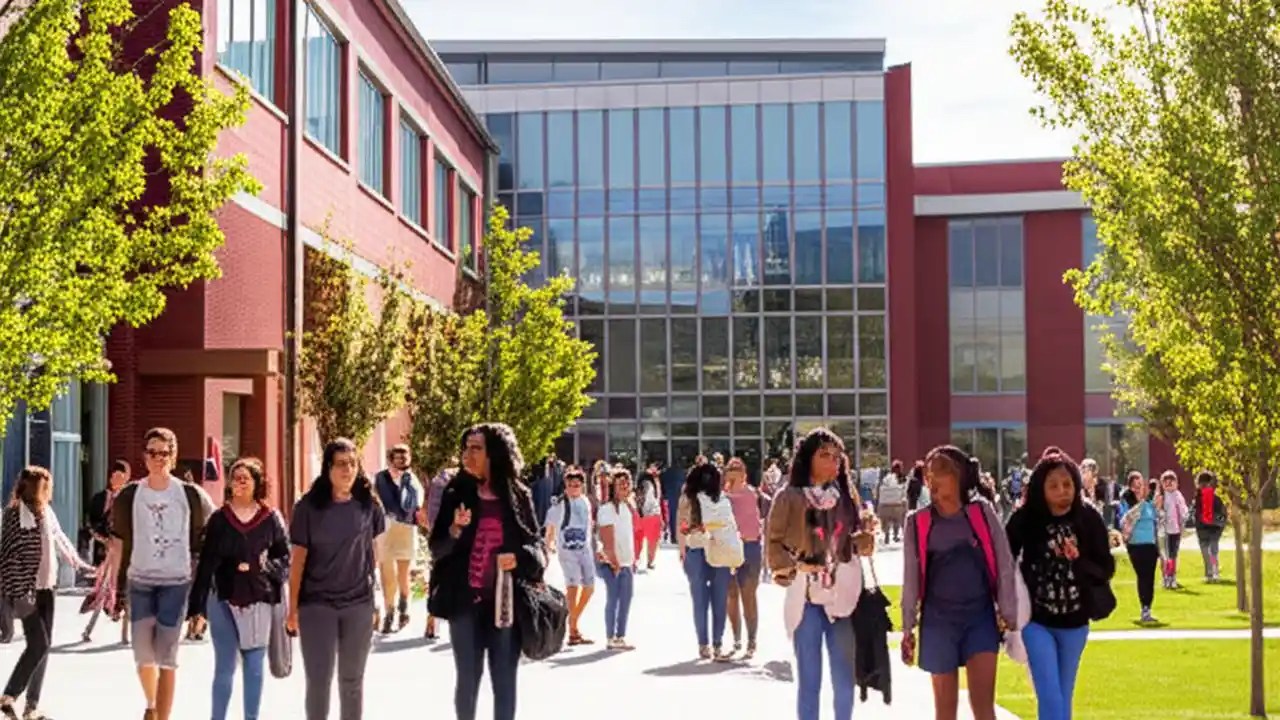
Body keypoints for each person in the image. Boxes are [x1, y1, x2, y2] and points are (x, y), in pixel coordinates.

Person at [428, 423, 545, 720]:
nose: (468, 455)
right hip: (463, 602)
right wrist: (455, 529)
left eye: (476, 448)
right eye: (466, 448)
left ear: (494, 452)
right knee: (467, 679)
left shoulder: (518, 495)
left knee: (504, 681)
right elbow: (437, 547)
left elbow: (537, 551)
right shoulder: (456, 491)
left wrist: (517, 558)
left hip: (506, 605)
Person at [901, 445, 1017, 720]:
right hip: (938, 621)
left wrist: (1009, 616)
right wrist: (907, 628)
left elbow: (1004, 566)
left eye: (941, 472)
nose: (933, 480)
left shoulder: (981, 513)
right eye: (928, 474)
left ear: (960, 477)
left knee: (983, 708)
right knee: (945, 712)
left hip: (980, 618)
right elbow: (910, 579)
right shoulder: (917, 523)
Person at [766, 428, 874, 720]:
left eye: (837, 457)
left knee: (844, 679)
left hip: (842, 598)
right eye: (824, 455)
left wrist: (864, 538)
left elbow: (858, 539)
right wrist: (795, 566)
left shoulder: (847, 496)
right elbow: (773, 545)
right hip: (805, 598)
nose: (833, 462)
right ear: (808, 458)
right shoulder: (788, 497)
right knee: (809, 680)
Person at [109, 428, 216, 720]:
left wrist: (204, 594)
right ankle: (152, 704)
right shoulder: (131, 494)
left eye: (164, 453)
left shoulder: (190, 494)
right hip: (140, 580)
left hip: (176, 582)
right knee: (143, 654)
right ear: (145, 457)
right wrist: (116, 590)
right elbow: (118, 544)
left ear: (173, 456)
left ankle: (162, 716)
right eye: (153, 453)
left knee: (167, 656)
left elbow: (213, 535)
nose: (158, 459)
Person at [1006, 449, 1115, 720]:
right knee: (1050, 695)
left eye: (1067, 484)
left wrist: (1079, 561)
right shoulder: (1026, 519)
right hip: (1036, 620)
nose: (1062, 491)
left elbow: (1106, 567)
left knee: (1064, 696)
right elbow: (1003, 558)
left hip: (1075, 622)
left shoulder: (1088, 518)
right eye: (1053, 485)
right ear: (1040, 488)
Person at [286, 438, 385, 720]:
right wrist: (292, 609)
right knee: (319, 682)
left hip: (358, 604)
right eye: (341, 464)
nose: (348, 470)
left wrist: (375, 599)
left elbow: (372, 554)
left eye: (353, 463)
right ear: (327, 468)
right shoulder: (308, 508)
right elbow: (298, 562)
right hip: (317, 605)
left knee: (352, 682)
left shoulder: (368, 505)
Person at [189, 457, 289, 720]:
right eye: (235, 478)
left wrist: (262, 568)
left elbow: (284, 557)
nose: (240, 482)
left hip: (259, 597)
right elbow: (207, 562)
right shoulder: (220, 519)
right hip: (222, 597)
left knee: (254, 664)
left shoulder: (271, 518)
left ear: (257, 483)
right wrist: (197, 607)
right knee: (224, 664)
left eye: (246, 478)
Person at [0, 466, 95, 719]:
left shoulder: (46, 512)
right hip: (24, 589)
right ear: (34, 487)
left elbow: (60, 539)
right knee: (38, 643)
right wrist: (16, 590)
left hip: (47, 587)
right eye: (45, 485)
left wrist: (81, 565)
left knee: (43, 646)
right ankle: (9, 695)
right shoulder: (13, 515)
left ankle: (32, 707)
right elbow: (7, 555)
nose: (49, 489)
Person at [678, 463, 737, 661]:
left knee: (701, 600)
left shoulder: (689, 498)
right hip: (717, 549)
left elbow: (681, 527)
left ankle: (705, 644)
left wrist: (682, 550)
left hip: (697, 549)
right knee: (718, 599)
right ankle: (716, 644)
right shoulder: (722, 500)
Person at [373, 444, 424, 635]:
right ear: (391, 458)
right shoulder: (381, 478)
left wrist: (406, 481)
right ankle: (389, 612)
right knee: (387, 573)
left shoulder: (412, 479)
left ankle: (404, 607)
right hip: (387, 528)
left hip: (406, 529)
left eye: (404, 457)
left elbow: (416, 503)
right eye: (397, 457)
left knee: (404, 573)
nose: (401, 461)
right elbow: (384, 502)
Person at [544, 467, 596, 646]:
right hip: (567, 550)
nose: (574, 488)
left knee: (589, 587)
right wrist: (548, 545)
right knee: (572, 587)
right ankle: (573, 630)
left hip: (585, 549)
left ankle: (573, 621)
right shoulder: (559, 503)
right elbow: (550, 526)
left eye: (577, 485)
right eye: (570, 485)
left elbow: (589, 526)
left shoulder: (585, 502)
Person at [82, 459, 132, 643]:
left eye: (121, 476)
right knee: (103, 590)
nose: (117, 479)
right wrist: (104, 540)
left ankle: (124, 626)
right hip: (106, 553)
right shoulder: (100, 499)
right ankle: (91, 626)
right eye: (114, 475)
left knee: (123, 588)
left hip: (125, 553)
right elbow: (91, 523)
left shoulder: (129, 500)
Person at [723, 457, 763, 659]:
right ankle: (737, 638)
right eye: (730, 477)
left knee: (749, 594)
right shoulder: (722, 498)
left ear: (744, 476)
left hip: (751, 546)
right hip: (729, 549)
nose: (733, 481)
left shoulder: (753, 494)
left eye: (737, 477)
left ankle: (752, 639)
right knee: (731, 594)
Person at [597, 467, 637, 650]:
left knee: (626, 599)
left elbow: (628, 535)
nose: (625, 486)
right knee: (613, 599)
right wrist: (614, 562)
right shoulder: (606, 509)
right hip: (611, 562)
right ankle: (610, 636)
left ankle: (621, 636)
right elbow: (607, 539)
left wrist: (632, 560)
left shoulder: (627, 507)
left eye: (627, 483)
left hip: (627, 562)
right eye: (621, 483)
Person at [422, 460, 458, 640]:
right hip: (456, 535)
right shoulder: (458, 483)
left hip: (439, 537)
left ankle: (432, 621)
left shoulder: (436, 483)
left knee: (437, 576)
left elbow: (429, 511)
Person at [1119, 471, 1160, 623]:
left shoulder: (1149, 504)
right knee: (1143, 576)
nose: (1138, 488)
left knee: (1150, 578)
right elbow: (1125, 520)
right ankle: (1144, 609)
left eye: (1141, 485)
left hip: (1150, 545)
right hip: (1136, 545)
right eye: (1135, 486)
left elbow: (1156, 520)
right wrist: (1138, 505)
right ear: (1130, 487)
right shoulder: (1128, 503)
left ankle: (1147, 608)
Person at [1189, 471, 1227, 582]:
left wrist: (1217, 522)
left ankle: (1214, 572)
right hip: (1202, 529)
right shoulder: (1197, 499)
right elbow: (1194, 513)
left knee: (1212, 551)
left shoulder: (1216, 499)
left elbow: (1223, 515)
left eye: (1206, 484)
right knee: (1206, 552)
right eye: (1202, 484)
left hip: (1213, 529)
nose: (1204, 487)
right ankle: (1209, 573)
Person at [1157, 470, 1188, 589]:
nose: (1169, 485)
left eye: (1172, 482)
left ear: (1176, 483)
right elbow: (1157, 509)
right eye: (1166, 482)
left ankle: (1172, 577)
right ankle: (1165, 577)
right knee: (1164, 555)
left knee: (1172, 555)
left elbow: (1183, 510)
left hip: (1174, 530)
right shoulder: (1161, 495)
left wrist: (1183, 521)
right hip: (1162, 530)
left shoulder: (1177, 495)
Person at [633, 464, 663, 571]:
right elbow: (654, 500)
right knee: (652, 541)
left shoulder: (639, 485)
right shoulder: (650, 484)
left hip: (639, 515)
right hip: (651, 515)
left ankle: (635, 561)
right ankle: (650, 562)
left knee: (637, 540)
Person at [876, 460, 908, 543]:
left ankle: (887, 535)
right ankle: (895, 535)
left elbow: (880, 489)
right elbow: (904, 491)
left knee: (886, 521)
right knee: (897, 520)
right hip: (897, 504)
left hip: (885, 503)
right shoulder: (903, 478)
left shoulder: (886, 478)